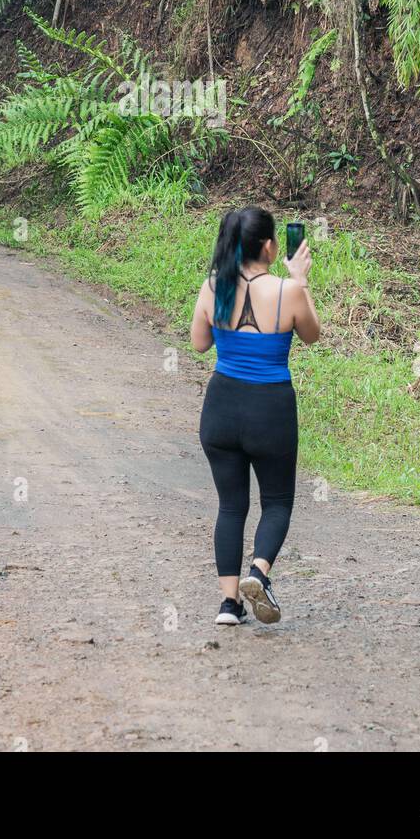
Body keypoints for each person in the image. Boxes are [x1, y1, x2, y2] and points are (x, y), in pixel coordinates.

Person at [189, 207, 320, 626]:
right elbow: (313, 335)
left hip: (222, 408)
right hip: (270, 410)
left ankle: (229, 605)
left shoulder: (213, 286)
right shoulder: (287, 291)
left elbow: (198, 344)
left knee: (231, 506)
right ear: (268, 246)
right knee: (277, 503)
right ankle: (258, 573)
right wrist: (301, 282)